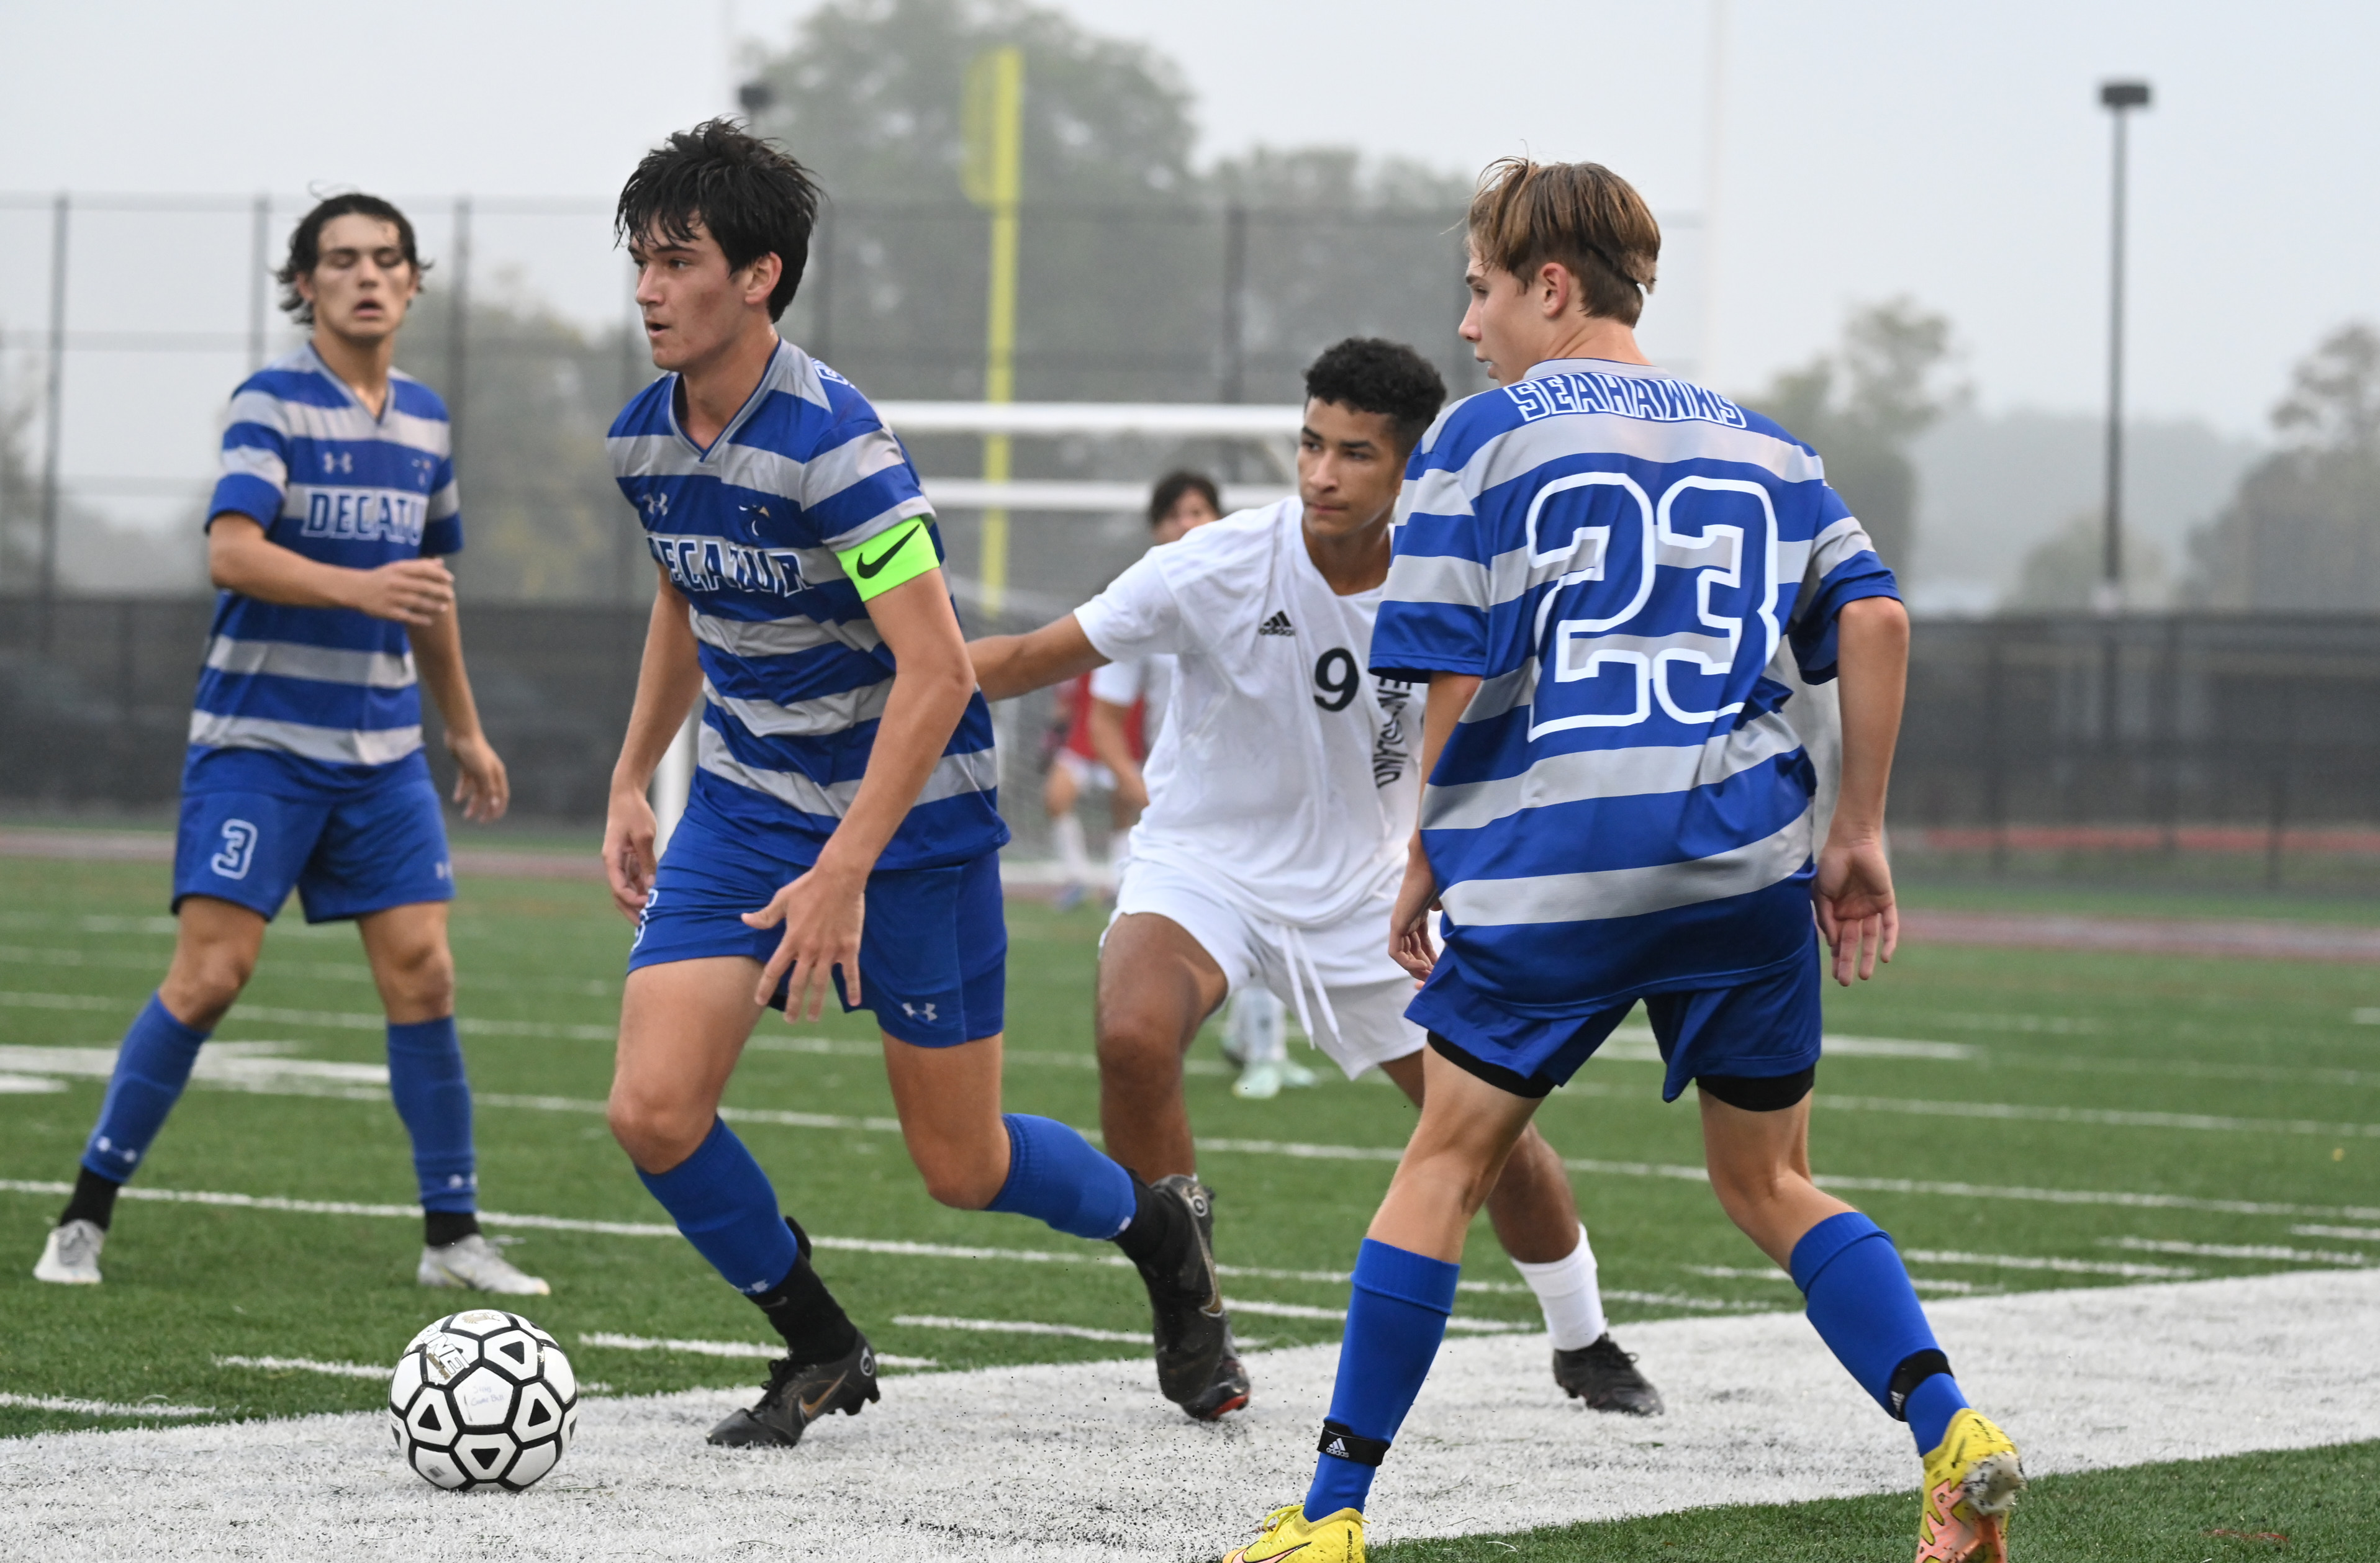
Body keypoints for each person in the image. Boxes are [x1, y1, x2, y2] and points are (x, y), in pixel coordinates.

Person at [1221, 160, 2024, 1563]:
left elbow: (1443, 667)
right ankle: (1945, 1425)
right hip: (1741, 857)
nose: (1464, 323)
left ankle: (1331, 1514)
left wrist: (1422, 850)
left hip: (1563, 859)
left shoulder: (1477, 440)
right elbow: (1881, 614)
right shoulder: (1773, 450)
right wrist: (1860, 829)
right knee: (1768, 1181)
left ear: (1549, 284)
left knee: (1443, 1165)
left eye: (1477, 286)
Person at [596, 121, 1228, 1449]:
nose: (648, 288)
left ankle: (1158, 1228)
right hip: (746, 805)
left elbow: (938, 672)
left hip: (915, 824)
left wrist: (844, 871)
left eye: (677, 260)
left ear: (759, 276)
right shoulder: (643, 440)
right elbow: (680, 592)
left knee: (963, 1163)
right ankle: (819, 1342)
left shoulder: (841, 447)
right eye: (639, 260)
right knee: (651, 1110)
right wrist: (629, 779)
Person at [970, 338, 1660, 1424]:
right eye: (1309, 444)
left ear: (1409, 472)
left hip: (1367, 892)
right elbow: (1026, 658)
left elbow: (1463, 759)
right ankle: (1189, 1305)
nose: (1322, 474)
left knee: (1496, 1134)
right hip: (1206, 863)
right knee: (1133, 1037)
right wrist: (892, 677)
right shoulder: (1216, 564)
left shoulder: (1454, 587)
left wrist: (1465, 878)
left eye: (1354, 454)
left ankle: (1583, 1338)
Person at [31, 194, 535, 1295]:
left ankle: (452, 1237)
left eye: (386, 259)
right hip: (258, 743)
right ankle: (83, 1216)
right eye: (341, 259)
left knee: (426, 973)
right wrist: (365, 585)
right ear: (303, 283)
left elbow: (429, 595)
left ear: (411, 282)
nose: (365, 276)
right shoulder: (270, 404)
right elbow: (233, 553)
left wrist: (465, 728)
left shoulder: (426, 422)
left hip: (383, 752)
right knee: (212, 977)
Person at [1042, 473, 1215, 906]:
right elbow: (1104, 719)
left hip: (1235, 798)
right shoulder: (1140, 607)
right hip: (1166, 793)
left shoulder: (1257, 596)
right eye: (1174, 516)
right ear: (1157, 529)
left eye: (1197, 512)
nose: (1187, 525)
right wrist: (1140, 785)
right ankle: (1091, 878)